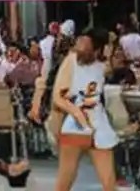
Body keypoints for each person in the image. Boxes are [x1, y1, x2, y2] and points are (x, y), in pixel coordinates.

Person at [48, 27, 118, 191]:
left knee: (109, 183)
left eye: (86, 43)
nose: (81, 46)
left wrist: (111, 43)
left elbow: (113, 62)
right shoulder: (72, 60)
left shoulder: (102, 63)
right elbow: (58, 96)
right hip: (76, 123)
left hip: (98, 124)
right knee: (65, 181)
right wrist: (76, 113)